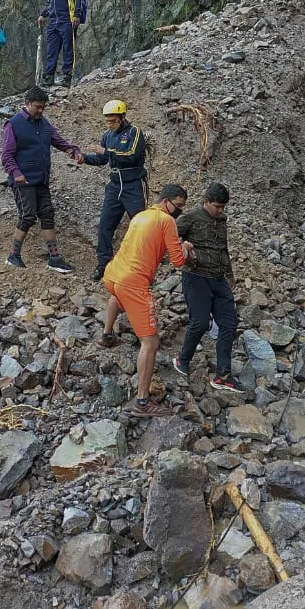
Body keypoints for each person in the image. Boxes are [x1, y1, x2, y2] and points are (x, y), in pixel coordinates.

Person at [100, 184, 193, 418]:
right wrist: (186, 248)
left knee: (116, 296)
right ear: (166, 202)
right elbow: (178, 262)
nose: (179, 212)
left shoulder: (141, 215)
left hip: (113, 274)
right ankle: (142, 402)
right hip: (134, 283)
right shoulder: (166, 221)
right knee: (150, 343)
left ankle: (107, 336)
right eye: (178, 206)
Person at [173, 182, 246, 394]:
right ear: (206, 202)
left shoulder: (222, 220)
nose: (220, 211)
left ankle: (223, 375)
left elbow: (223, 248)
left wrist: (230, 275)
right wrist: (182, 248)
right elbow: (169, 235)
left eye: (223, 207)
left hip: (219, 278)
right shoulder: (190, 218)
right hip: (195, 276)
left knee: (229, 324)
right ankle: (182, 359)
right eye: (217, 206)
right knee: (201, 322)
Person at [0, 85, 83, 272]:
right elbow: (6, 155)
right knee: (28, 216)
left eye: (43, 107)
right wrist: (16, 173)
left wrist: (73, 150)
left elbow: (59, 142)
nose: (41, 110)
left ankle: (54, 259)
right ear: (27, 103)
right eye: (37, 106)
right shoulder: (13, 124)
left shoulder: (44, 124)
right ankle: (13, 255)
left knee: (47, 215)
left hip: (41, 180)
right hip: (23, 181)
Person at [82, 99, 149, 280]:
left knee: (140, 226)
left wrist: (105, 152)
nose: (110, 124)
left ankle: (142, 266)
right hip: (114, 186)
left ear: (123, 117)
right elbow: (101, 160)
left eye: (113, 121)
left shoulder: (134, 132)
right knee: (104, 226)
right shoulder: (107, 135)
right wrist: (84, 158)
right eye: (108, 121)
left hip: (133, 184)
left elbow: (131, 156)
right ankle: (103, 265)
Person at [37, 0, 87, 89]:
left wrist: (77, 14)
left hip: (68, 20)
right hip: (53, 22)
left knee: (68, 49)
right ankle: (49, 77)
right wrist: (43, 15)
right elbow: (50, 2)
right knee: (51, 50)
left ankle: (67, 77)